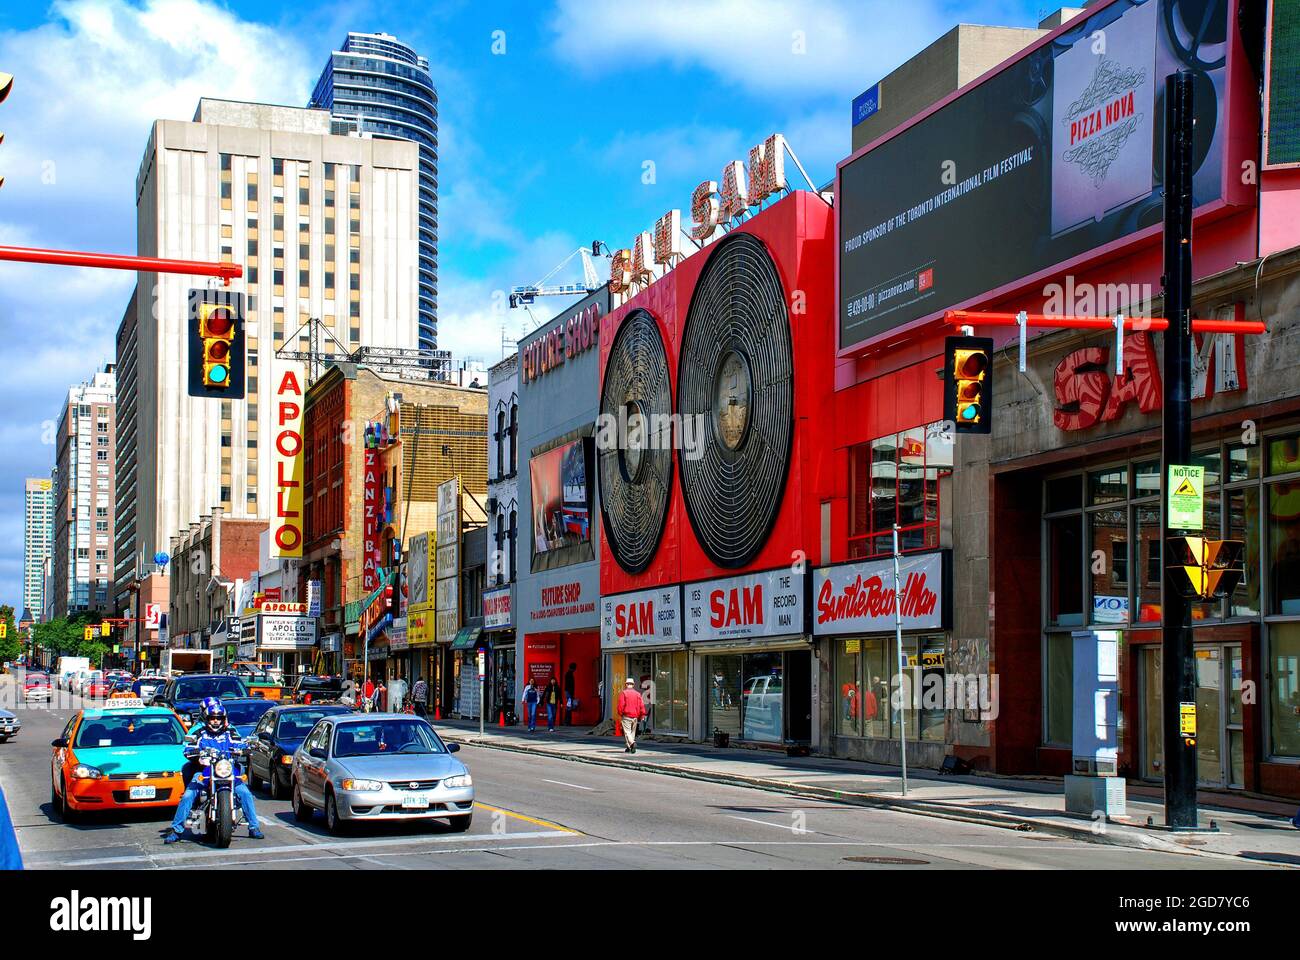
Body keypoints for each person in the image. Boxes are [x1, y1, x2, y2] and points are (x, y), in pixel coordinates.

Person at [165, 698, 264, 844]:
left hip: (228, 772)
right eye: (212, 718)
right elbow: (188, 747)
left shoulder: (231, 732)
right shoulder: (200, 733)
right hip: (204, 772)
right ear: (206, 718)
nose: (216, 721)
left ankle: (254, 827)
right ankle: (176, 830)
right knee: (187, 796)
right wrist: (195, 753)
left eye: (219, 718)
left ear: (223, 719)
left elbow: (241, 744)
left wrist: (246, 748)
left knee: (245, 794)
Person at [617, 678, 645, 754]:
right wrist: (642, 715)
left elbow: (621, 705)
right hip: (635, 716)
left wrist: (620, 713)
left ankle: (632, 743)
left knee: (627, 732)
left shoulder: (624, 693)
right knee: (632, 733)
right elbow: (641, 705)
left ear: (626, 684)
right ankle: (629, 747)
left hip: (626, 715)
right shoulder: (638, 694)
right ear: (633, 685)